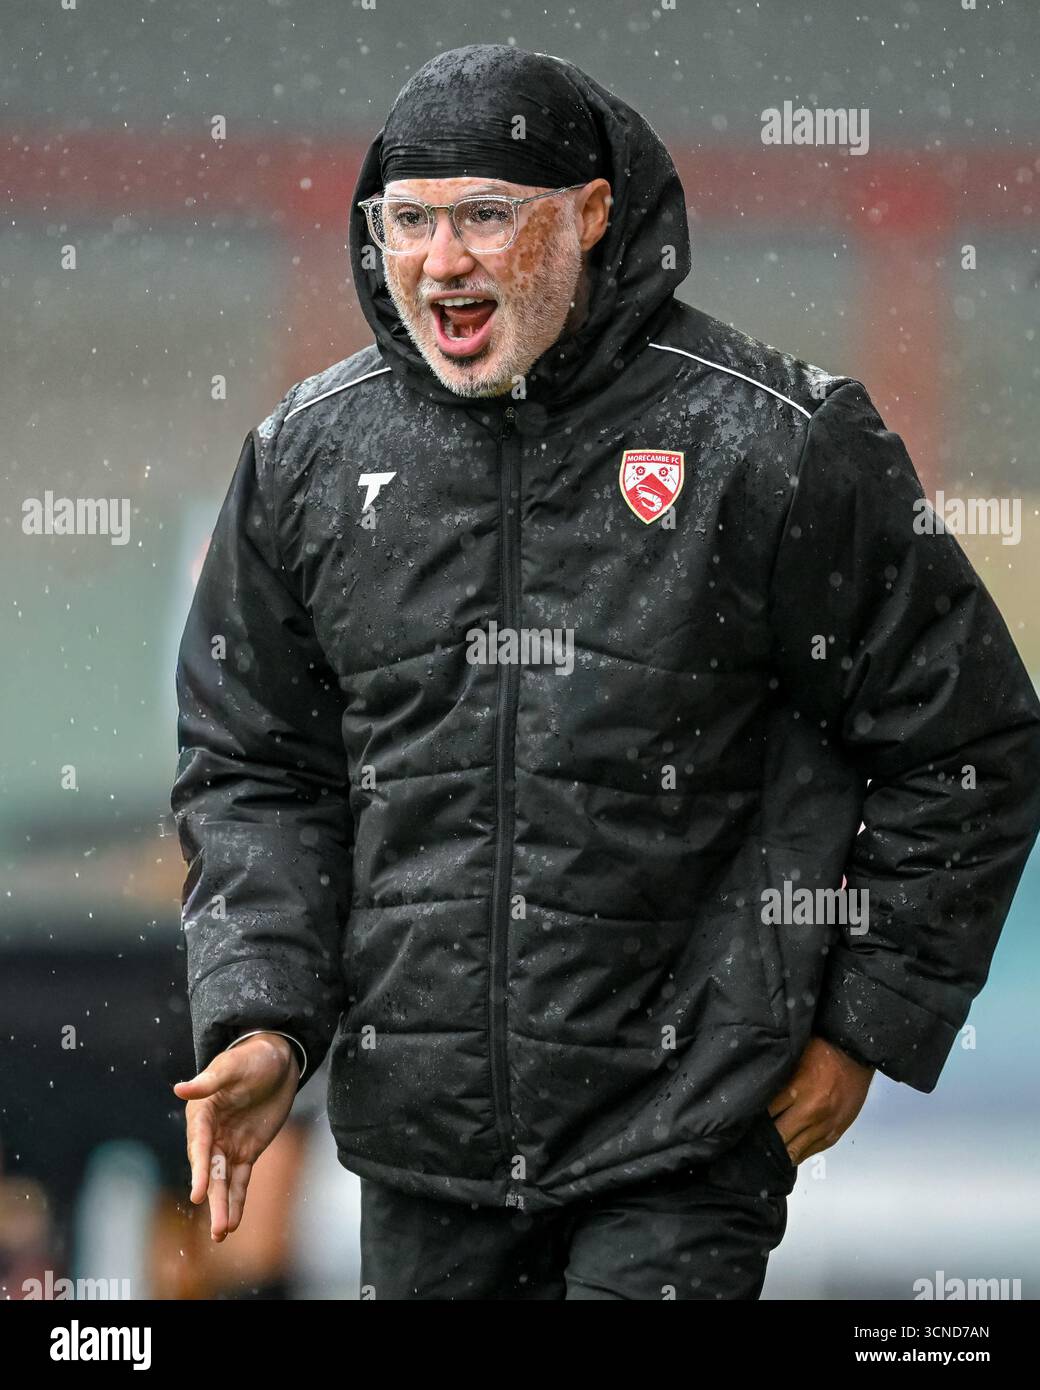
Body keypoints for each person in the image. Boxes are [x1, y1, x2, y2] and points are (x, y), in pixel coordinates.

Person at [170, 44, 1040, 1300]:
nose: (440, 259)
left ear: (588, 216)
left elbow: (966, 742)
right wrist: (262, 1017)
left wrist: (865, 1026)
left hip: (681, 1144)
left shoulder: (773, 445)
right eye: (407, 222)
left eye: (485, 216)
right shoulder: (306, 457)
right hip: (421, 1158)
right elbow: (255, 766)